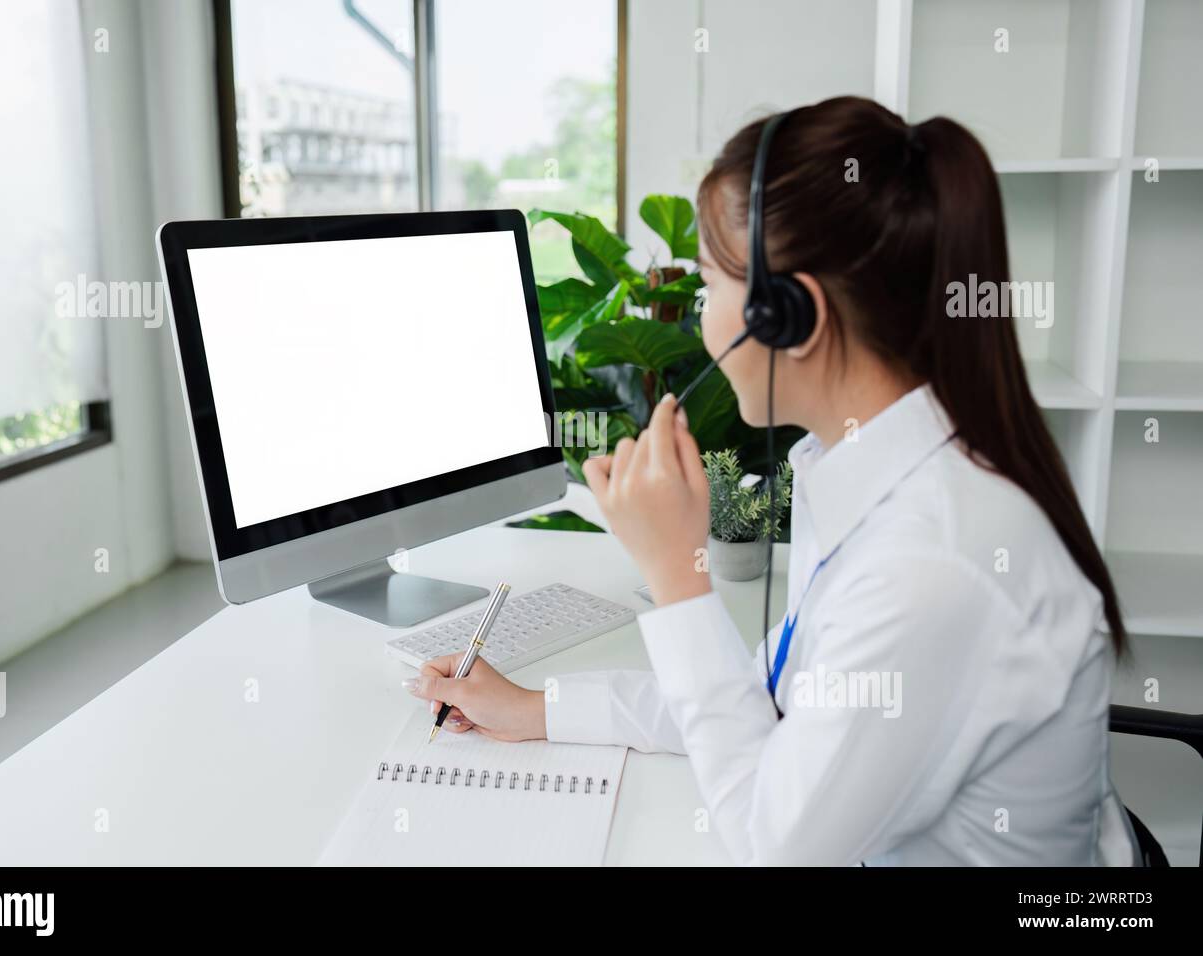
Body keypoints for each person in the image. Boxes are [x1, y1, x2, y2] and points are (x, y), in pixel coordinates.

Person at [403, 96, 1136, 866]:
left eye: (712, 288)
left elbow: (775, 844)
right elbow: (765, 703)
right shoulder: (860, 474)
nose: (699, 320)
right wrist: (533, 711)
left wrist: (675, 578)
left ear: (788, 316)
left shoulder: (928, 569)